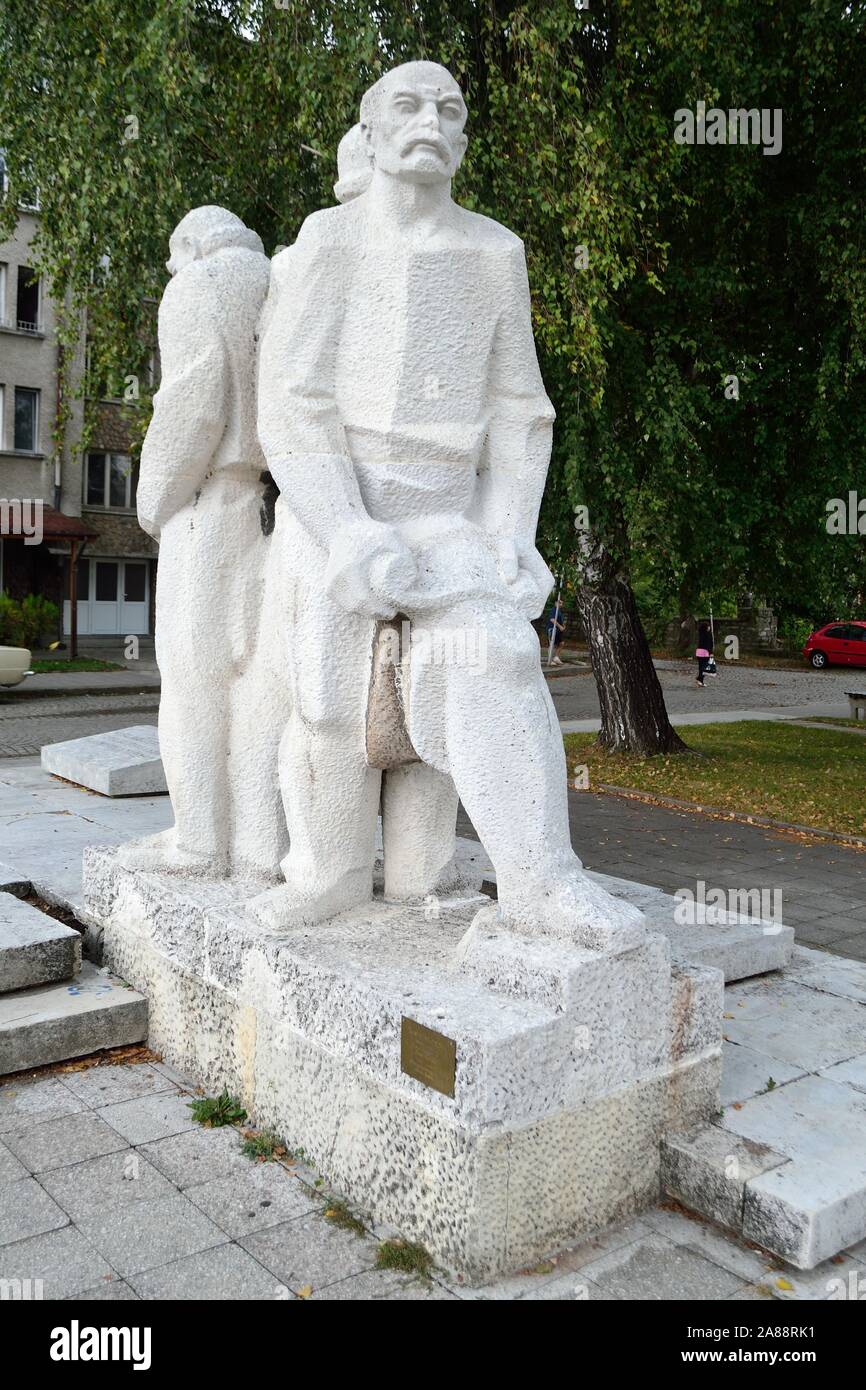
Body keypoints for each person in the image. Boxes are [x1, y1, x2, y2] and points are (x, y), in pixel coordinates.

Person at [252, 60, 644, 950]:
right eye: (408, 103)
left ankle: (542, 879)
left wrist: (509, 532)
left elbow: (519, 409)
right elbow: (292, 401)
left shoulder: (495, 252)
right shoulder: (328, 240)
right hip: (336, 511)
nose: (429, 117)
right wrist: (344, 526)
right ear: (374, 126)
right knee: (327, 704)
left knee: (496, 658)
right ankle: (330, 872)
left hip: (444, 516)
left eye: (449, 107)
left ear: (462, 138)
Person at [118, 207, 289, 880]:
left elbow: (193, 405)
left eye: (170, 256)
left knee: (193, 683)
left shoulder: (199, 282)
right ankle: (259, 848)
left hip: (209, 502)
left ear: (188, 245)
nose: (168, 270)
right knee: (260, 683)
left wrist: (154, 503)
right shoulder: (279, 281)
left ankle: (199, 844)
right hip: (280, 505)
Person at [695, 619, 714, 687]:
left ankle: (700, 680)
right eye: (708, 626)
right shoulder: (708, 635)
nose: (709, 627)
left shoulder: (701, 633)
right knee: (704, 668)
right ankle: (700, 679)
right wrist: (711, 652)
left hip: (699, 652)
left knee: (701, 667)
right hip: (705, 652)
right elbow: (709, 645)